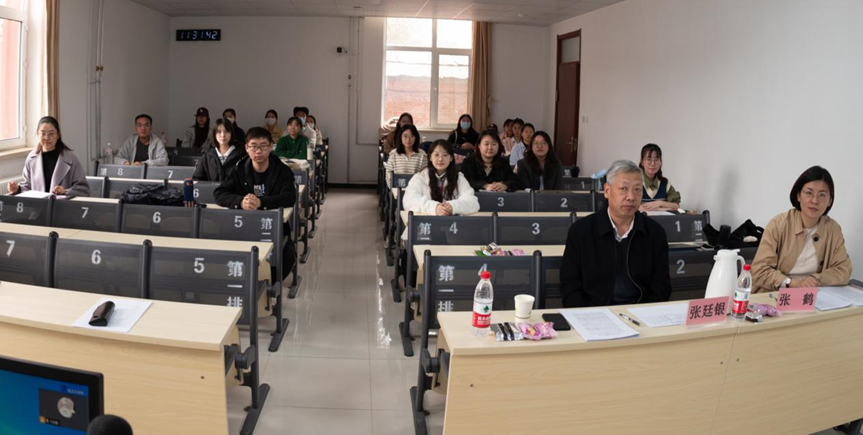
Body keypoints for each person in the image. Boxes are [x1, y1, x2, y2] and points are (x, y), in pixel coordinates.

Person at [560, 160, 671, 307]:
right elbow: (570, 287)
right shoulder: (581, 231)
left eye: (637, 189)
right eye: (624, 188)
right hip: (593, 314)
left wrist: (643, 313)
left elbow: (661, 287)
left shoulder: (655, 233)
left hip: (640, 314)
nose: (631, 197)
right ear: (607, 191)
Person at [751, 166, 851, 293]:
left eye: (822, 195)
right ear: (798, 195)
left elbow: (843, 270)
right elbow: (759, 270)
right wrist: (792, 283)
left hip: (812, 297)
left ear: (830, 201)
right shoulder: (779, 224)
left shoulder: (833, 229)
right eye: (809, 193)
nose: (815, 201)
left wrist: (815, 279)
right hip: (773, 295)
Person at [214, 127, 296, 279]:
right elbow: (219, 193)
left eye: (263, 146)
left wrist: (261, 203)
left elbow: (290, 197)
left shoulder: (283, 171)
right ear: (246, 148)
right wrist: (240, 202)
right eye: (253, 146)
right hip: (242, 227)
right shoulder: (238, 169)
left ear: (271, 146)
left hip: (274, 229)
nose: (258, 151)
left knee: (286, 257)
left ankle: (266, 288)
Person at [7, 116, 89, 198]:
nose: (46, 138)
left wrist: (65, 191)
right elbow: (27, 186)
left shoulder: (70, 158)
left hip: (61, 207)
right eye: (43, 133)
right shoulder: (31, 158)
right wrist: (17, 189)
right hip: (38, 208)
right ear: (38, 134)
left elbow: (84, 189)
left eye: (51, 134)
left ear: (58, 135)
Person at [403, 139, 479, 217]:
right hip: (425, 224)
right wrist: (434, 208)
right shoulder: (419, 178)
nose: (440, 159)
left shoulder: (458, 178)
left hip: (451, 225)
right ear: (430, 158)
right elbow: (409, 201)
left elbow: (473, 203)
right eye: (436, 155)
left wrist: (453, 206)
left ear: (451, 158)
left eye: (445, 155)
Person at [638, 143, 681, 211]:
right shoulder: (635, 182)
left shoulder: (665, 183)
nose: (653, 163)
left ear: (660, 162)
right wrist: (662, 209)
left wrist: (659, 203)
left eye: (656, 159)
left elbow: (676, 206)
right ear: (642, 162)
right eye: (649, 159)